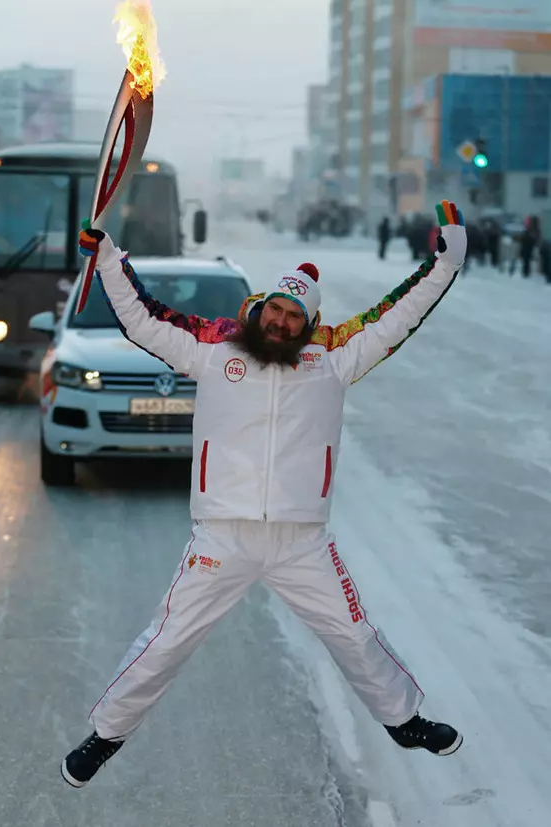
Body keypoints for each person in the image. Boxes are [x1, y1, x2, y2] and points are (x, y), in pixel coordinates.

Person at [61, 200, 467, 788]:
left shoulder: (334, 360)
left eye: (293, 316)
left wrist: (445, 263)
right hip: (221, 535)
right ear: (258, 309)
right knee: (169, 639)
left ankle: (403, 721)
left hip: (302, 541)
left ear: (307, 324)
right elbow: (143, 319)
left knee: (352, 633)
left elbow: (395, 316)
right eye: (274, 309)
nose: (280, 321)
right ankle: (106, 735)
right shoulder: (212, 349)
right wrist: (107, 259)